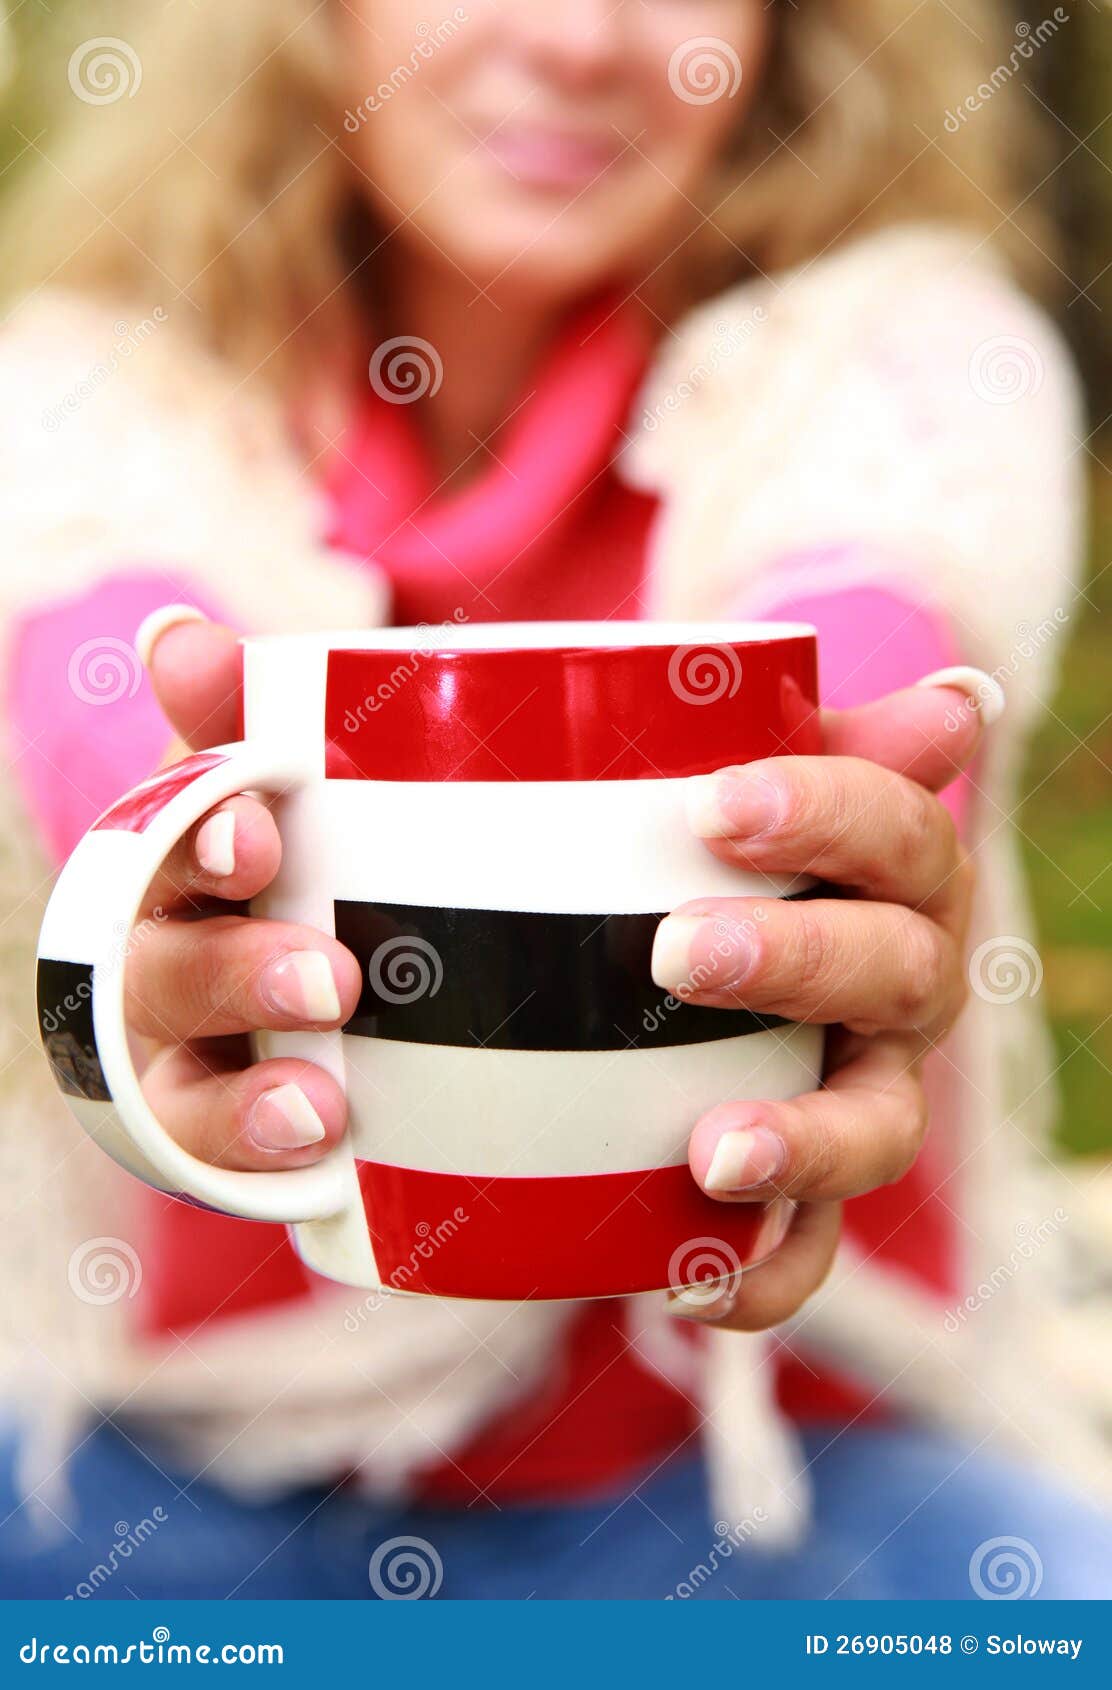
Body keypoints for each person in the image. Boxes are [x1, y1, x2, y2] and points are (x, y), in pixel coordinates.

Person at [0, 0, 1109, 1599]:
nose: (581, 38)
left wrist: (840, 824)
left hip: (770, 1474)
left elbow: (869, 608)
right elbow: (103, 687)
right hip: (183, 1451)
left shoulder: (898, 347)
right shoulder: (98, 379)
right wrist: (184, 896)